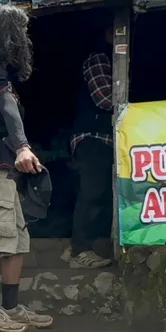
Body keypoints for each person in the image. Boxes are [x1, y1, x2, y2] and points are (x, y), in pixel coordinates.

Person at [0, 5, 53, 332]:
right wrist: (22, 147)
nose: (26, 37)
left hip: (5, 169)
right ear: (10, 35)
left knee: (16, 240)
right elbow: (8, 112)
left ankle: (12, 308)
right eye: (23, 31)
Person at [63, 29, 115, 269]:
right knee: (92, 193)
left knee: (97, 193)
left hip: (99, 138)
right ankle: (79, 251)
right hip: (92, 137)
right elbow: (104, 98)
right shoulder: (98, 58)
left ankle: (75, 247)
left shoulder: (106, 58)